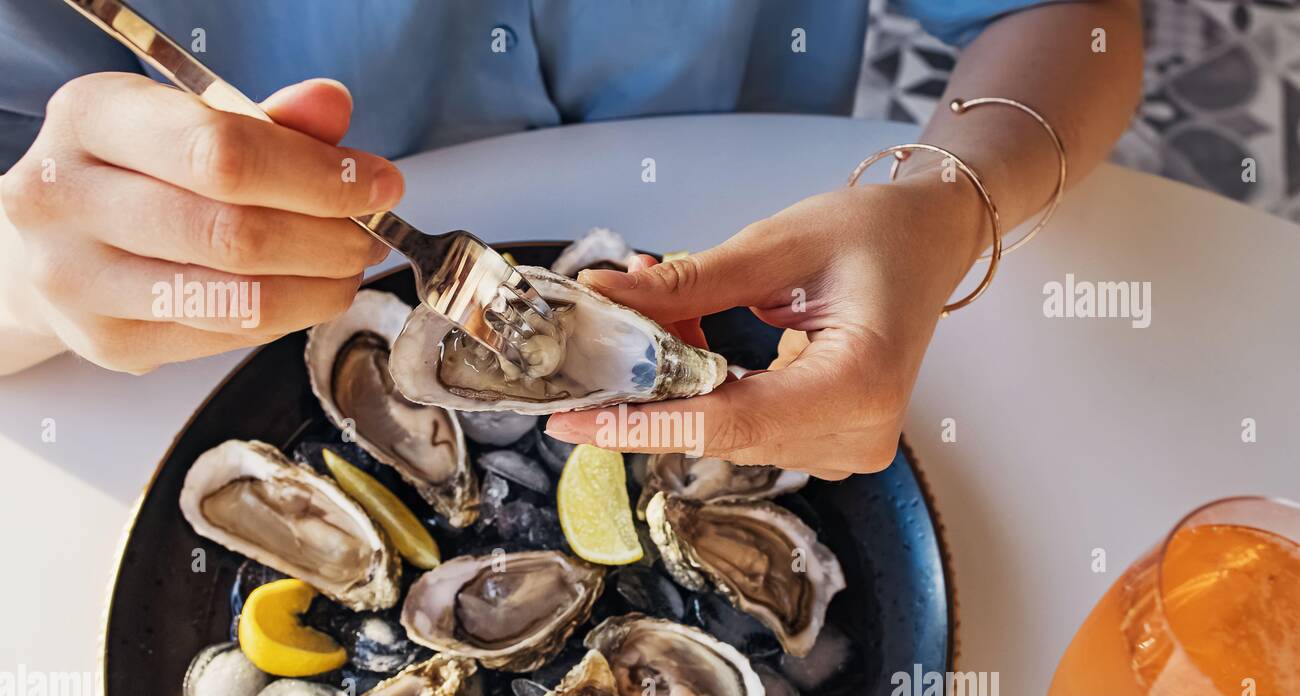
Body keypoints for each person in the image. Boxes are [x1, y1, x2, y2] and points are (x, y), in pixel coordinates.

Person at [0, 1, 1141, 478]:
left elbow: (1071, 21)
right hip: (149, 414)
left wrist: (948, 202)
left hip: (783, 244)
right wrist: (29, 282)